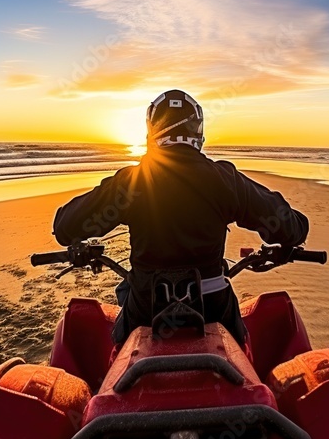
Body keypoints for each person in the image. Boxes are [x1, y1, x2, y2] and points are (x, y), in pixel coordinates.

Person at [53, 89, 309, 344]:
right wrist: (293, 234)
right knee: (244, 348)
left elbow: (65, 227)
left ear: (151, 130)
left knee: (117, 342)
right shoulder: (224, 179)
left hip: (146, 311)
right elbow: (286, 224)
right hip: (213, 308)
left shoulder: (131, 182)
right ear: (197, 130)